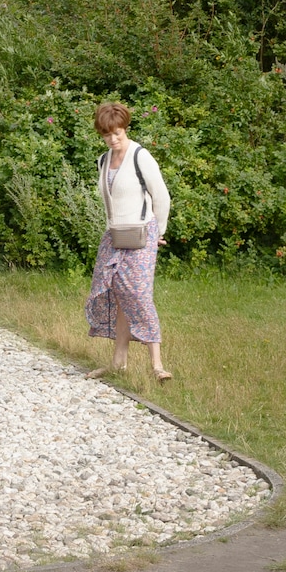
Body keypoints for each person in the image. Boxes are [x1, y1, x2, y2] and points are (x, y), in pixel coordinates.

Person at [86, 100, 171, 382]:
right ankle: (118, 364)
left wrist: (158, 232)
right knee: (114, 294)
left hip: (142, 235)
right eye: (106, 134)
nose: (112, 139)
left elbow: (161, 196)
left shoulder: (140, 156)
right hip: (114, 235)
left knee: (139, 295)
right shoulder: (103, 160)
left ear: (125, 128)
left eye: (117, 133)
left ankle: (157, 366)